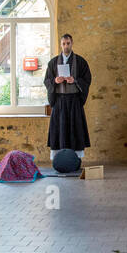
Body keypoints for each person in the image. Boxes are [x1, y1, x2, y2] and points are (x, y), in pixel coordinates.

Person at [44, 33, 92, 161]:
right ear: (61, 44)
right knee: (59, 129)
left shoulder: (81, 62)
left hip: (74, 101)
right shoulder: (53, 62)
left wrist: (75, 80)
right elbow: (47, 80)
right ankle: (59, 160)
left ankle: (75, 159)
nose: (66, 46)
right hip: (59, 101)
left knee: (75, 128)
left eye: (68, 43)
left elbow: (87, 79)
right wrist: (55, 80)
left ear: (72, 43)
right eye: (64, 44)